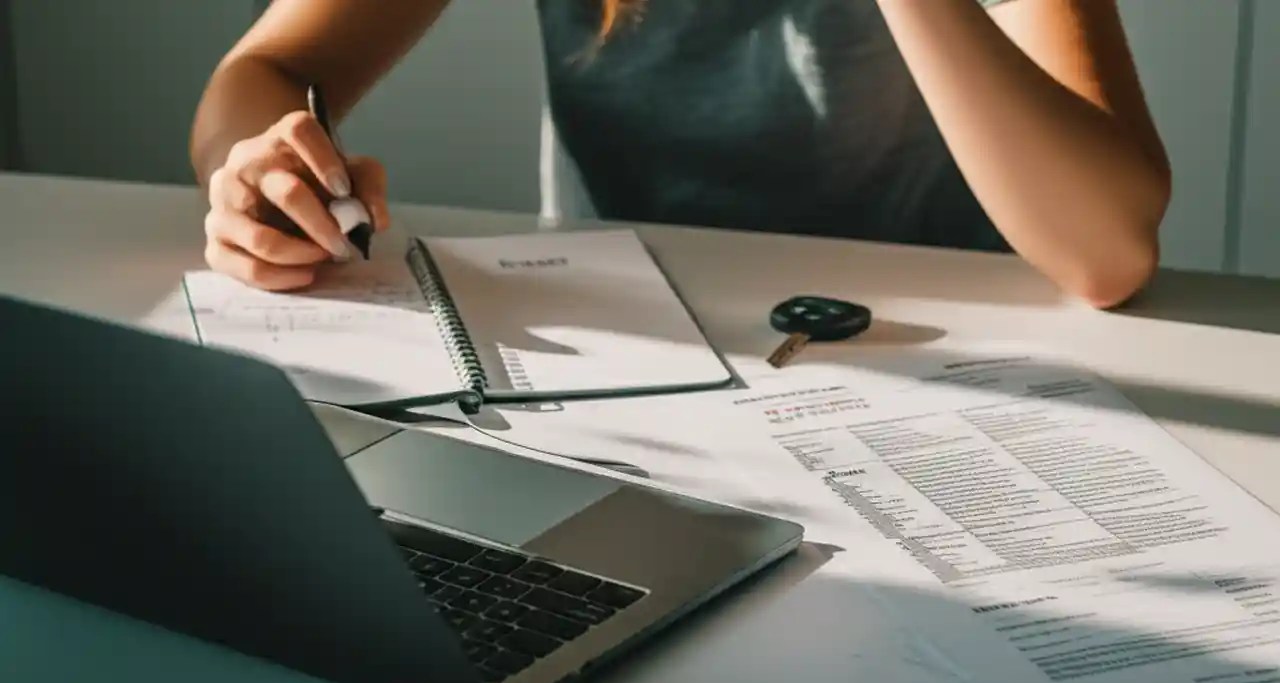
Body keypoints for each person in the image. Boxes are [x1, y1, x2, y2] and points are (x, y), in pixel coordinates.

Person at [190, 0, 1171, 309]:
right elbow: (264, 72)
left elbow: (1106, 251)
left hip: (919, 361)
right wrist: (255, 170)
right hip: (626, 358)